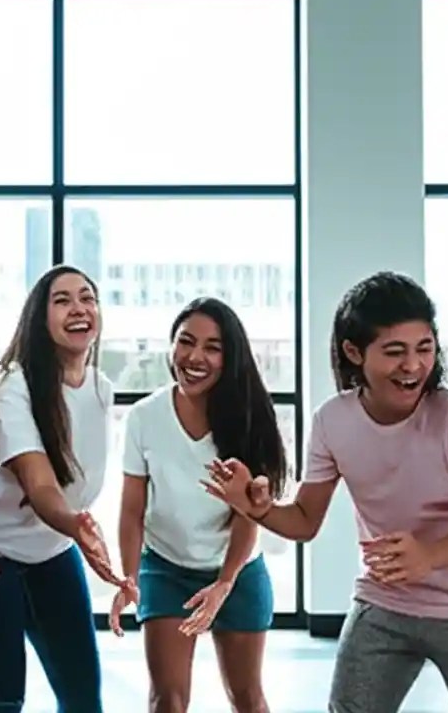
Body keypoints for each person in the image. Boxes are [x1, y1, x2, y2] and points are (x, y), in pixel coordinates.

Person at [204, 272, 448, 713]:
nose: (413, 366)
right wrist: (257, 508)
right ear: (354, 352)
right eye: (395, 352)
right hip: (385, 603)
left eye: (424, 348)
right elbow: (303, 521)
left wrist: (428, 556)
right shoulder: (332, 420)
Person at [0, 264, 125, 712]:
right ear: (38, 319)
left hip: (52, 552)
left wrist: (74, 530)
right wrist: (78, 526)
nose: (79, 308)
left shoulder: (101, 389)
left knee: (83, 698)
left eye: (87, 297)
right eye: (62, 300)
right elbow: (39, 482)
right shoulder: (12, 384)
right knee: (3, 699)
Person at [109, 297, 286, 713]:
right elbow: (131, 510)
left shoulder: (247, 417)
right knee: (167, 700)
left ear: (230, 357)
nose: (195, 356)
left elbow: (249, 516)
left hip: (237, 570)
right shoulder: (144, 417)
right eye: (186, 342)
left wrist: (224, 583)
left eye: (213, 347)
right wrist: (129, 578)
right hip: (166, 568)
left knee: (247, 697)